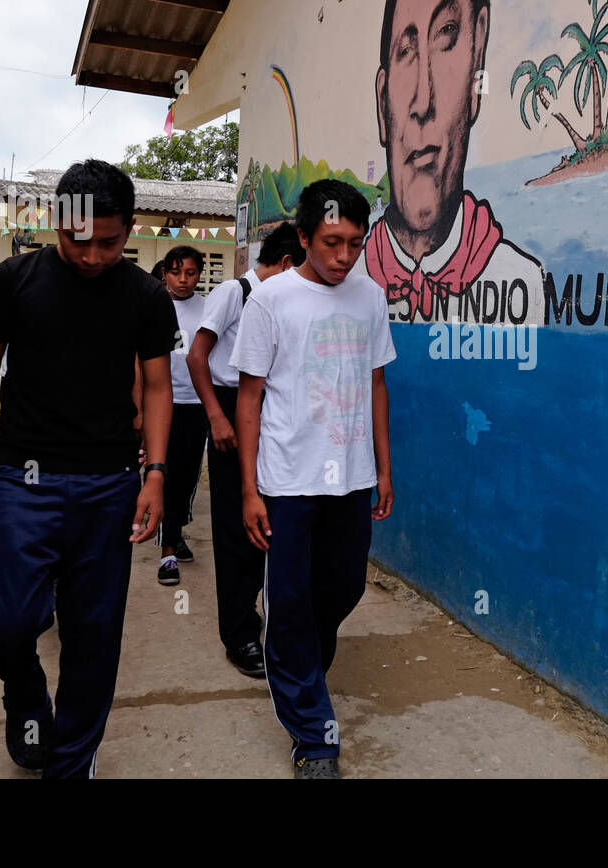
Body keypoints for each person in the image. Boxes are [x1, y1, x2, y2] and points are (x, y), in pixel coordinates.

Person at [0, 159, 177, 779]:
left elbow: (157, 387)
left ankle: (72, 763)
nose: (93, 255)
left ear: (130, 228)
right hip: (19, 481)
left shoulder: (146, 297)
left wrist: (155, 472)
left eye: (110, 242)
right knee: (13, 621)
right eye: (79, 239)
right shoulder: (14, 281)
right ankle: (19, 675)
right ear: (57, 223)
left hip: (108, 485)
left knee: (93, 635)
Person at [230, 180, 395, 778]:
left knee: (343, 587)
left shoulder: (370, 298)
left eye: (355, 243)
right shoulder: (270, 301)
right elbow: (249, 398)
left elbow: (376, 383)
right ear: (303, 238)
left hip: (350, 478)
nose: (344, 257)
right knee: (293, 603)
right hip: (288, 480)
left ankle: (298, 665)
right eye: (331, 243)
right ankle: (312, 734)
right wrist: (249, 488)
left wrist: (383, 465)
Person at [361, 0, 542, 325]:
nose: (422, 100)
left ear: (478, 58)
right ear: (381, 103)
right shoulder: (350, 285)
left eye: (446, 35)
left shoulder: (520, 284)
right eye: (404, 52)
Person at [186, 223, 304, 677]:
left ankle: (257, 613)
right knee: (236, 527)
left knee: (265, 519)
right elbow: (198, 357)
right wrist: (216, 415)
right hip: (230, 407)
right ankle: (237, 634)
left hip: (264, 408)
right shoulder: (234, 293)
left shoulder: (278, 299)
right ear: (289, 262)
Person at [152, 245, 208, 586]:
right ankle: (167, 553)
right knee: (165, 475)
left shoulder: (209, 308)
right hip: (163, 406)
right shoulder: (153, 307)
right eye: (176, 272)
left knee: (188, 475)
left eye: (190, 272)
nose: (183, 280)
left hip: (198, 405)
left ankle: (175, 528)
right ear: (164, 274)